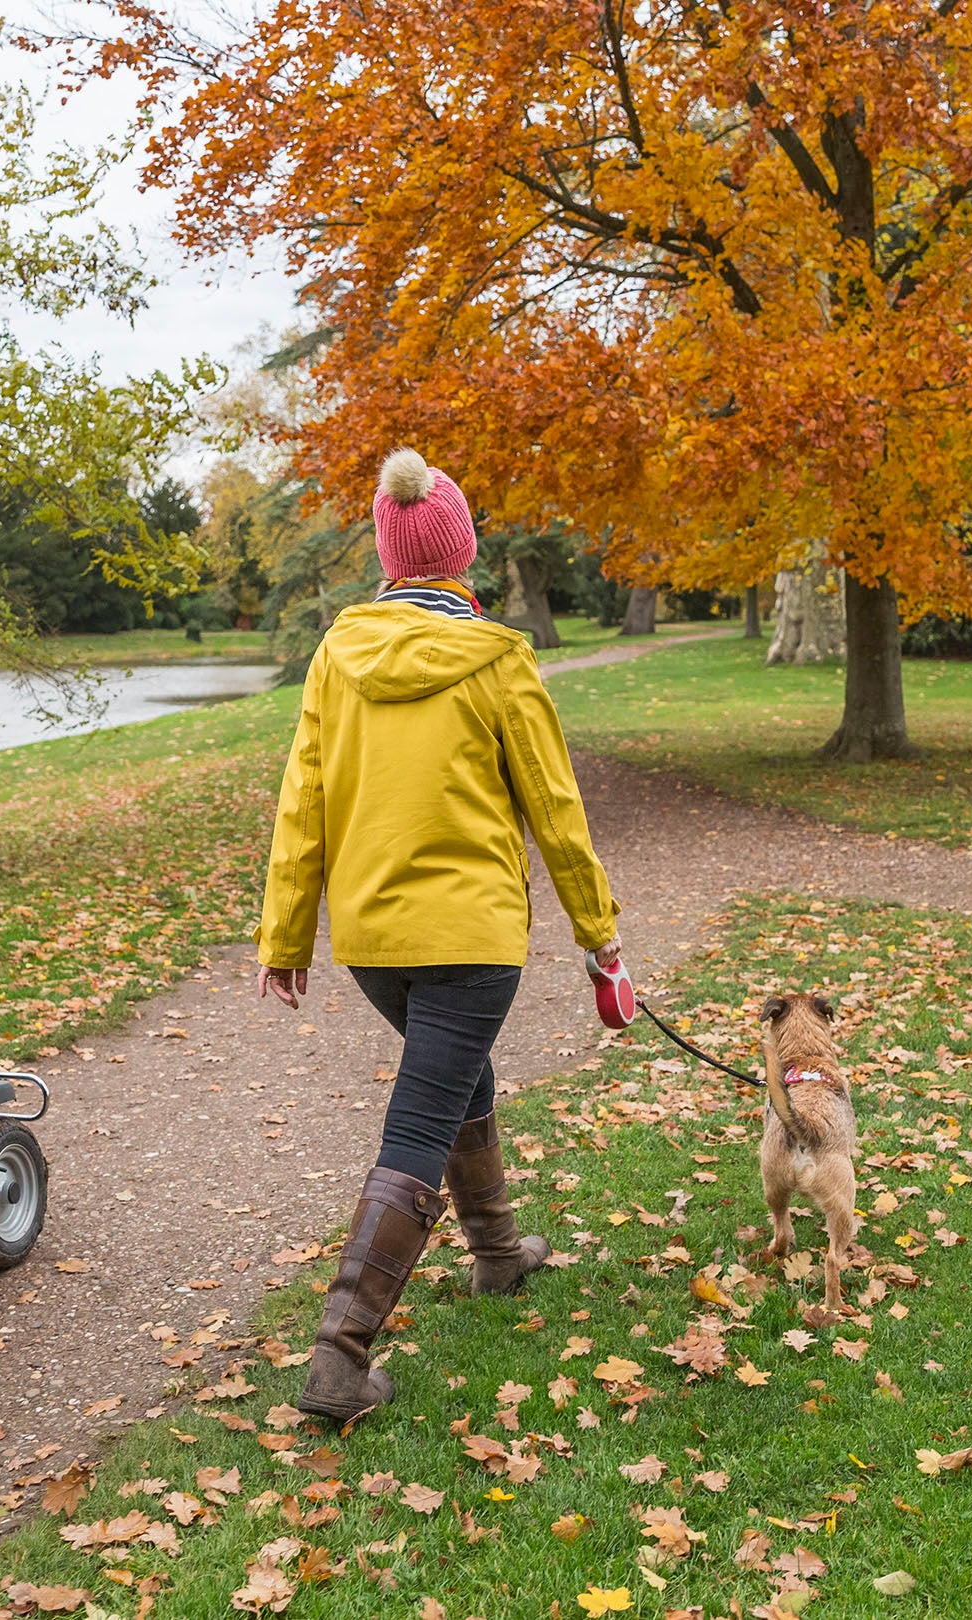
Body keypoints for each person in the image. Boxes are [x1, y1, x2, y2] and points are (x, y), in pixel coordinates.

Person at [258, 448, 625, 1422]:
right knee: (422, 1119)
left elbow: (305, 801)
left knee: (462, 1079)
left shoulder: (337, 654)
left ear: (387, 556)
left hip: (374, 941)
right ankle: (338, 1359)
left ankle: (499, 1256)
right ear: (463, 554)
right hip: (471, 940)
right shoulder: (499, 660)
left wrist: (285, 934)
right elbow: (557, 811)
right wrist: (602, 942)